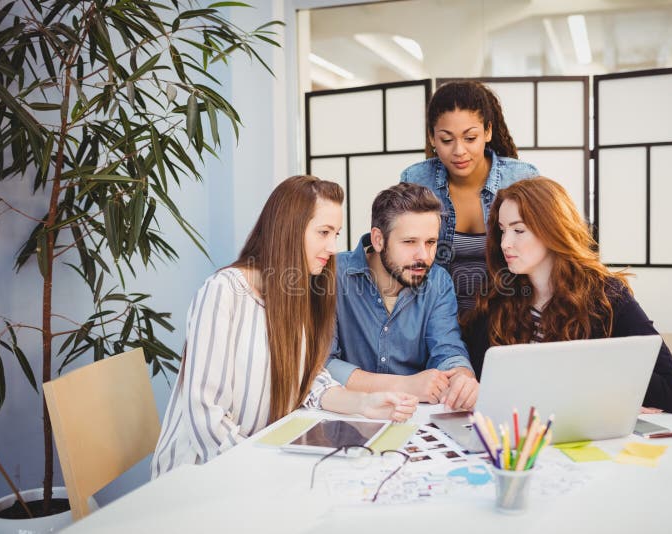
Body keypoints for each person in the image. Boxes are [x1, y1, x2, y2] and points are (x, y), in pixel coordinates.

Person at [152, 176, 417, 477]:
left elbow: (310, 381)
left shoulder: (295, 293)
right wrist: (262, 470)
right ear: (289, 229)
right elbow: (205, 411)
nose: (333, 247)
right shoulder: (223, 291)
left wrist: (363, 403)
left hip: (257, 459)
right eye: (324, 232)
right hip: (201, 472)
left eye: (336, 233)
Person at [462, 177, 672, 413]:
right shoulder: (499, 295)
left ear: (552, 230)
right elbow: (478, 378)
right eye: (502, 230)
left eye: (518, 230)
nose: (505, 243)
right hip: (513, 436)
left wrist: (610, 391)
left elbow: (671, 392)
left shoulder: (606, 296)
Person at [326, 183, 479, 411]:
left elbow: (447, 350)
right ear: (378, 240)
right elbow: (323, 365)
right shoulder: (333, 275)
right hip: (347, 415)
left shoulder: (438, 281)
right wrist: (406, 385)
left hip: (413, 418)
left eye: (430, 242)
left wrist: (461, 379)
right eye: (409, 242)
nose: (424, 256)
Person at [401, 81, 539, 313]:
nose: (459, 151)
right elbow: (401, 252)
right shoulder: (416, 179)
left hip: (508, 315)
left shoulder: (522, 178)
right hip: (434, 316)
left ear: (487, 132)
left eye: (470, 138)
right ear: (432, 138)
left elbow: (544, 250)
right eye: (446, 140)